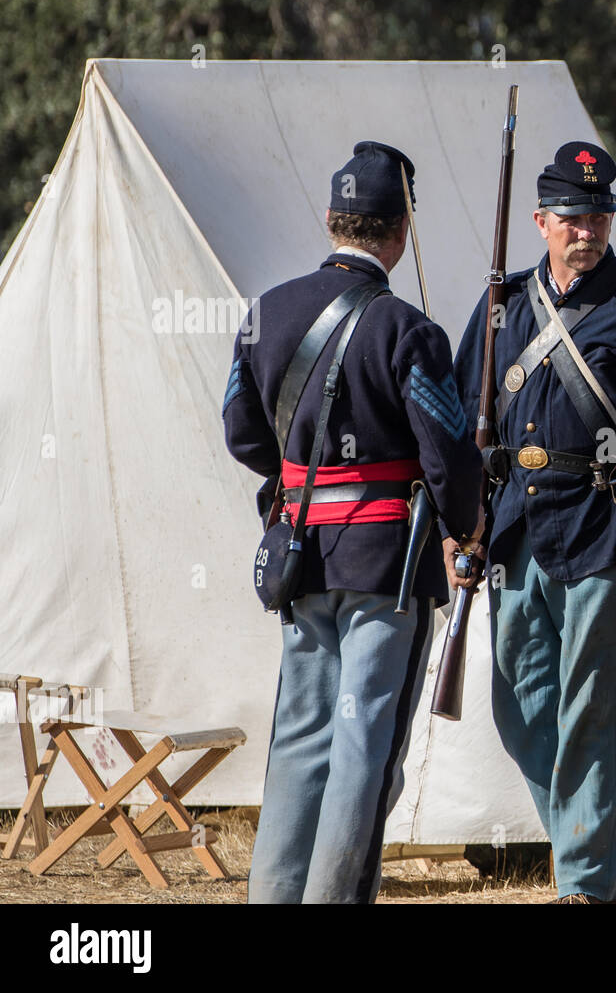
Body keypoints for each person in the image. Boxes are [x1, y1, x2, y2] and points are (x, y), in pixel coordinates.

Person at [223, 141, 481, 903]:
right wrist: (465, 523)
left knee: (300, 737)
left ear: (330, 218)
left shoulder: (264, 312)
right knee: (364, 739)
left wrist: (302, 479)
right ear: (399, 231)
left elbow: (242, 431)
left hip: (300, 557)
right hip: (386, 564)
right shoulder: (409, 330)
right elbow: (447, 453)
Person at [447, 141, 616, 903]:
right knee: (518, 707)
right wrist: (463, 527)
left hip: (605, 536)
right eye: (572, 218)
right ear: (540, 222)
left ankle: (585, 884)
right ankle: (608, 872)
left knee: (596, 714)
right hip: (517, 530)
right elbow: (466, 418)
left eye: (598, 216)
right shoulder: (503, 304)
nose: (586, 230)